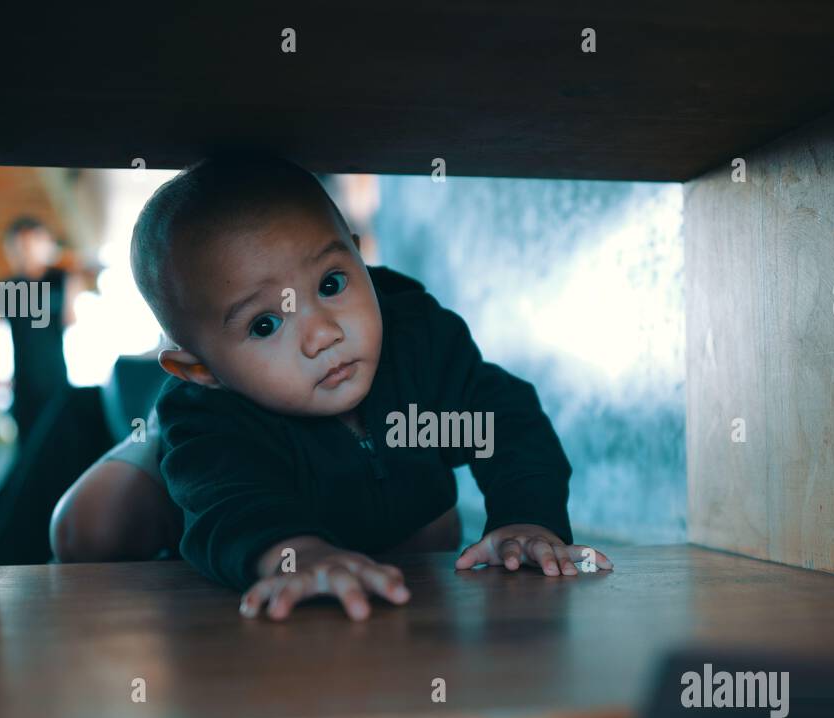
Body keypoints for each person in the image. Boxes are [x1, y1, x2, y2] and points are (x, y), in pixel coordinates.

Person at [121, 152, 613, 621]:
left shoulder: (417, 341)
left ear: (359, 256)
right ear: (201, 369)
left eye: (331, 284)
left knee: (430, 530)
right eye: (265, 324)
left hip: (387, 511)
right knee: (102, 521)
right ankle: (141, 453)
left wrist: (527, 519)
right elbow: (234, 509)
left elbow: (505, 423)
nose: (323, 335)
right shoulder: (212, 421)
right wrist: (298, 555)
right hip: (198, 482)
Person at [0, 217, 79, 446]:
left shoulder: (61, 279)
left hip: (57, 377)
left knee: (61, 443)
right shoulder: (6, 287)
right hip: (23, 381)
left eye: (32, 243)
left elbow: (71, 320)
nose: (26, 251)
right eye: (20, 246)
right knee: (28, 446)